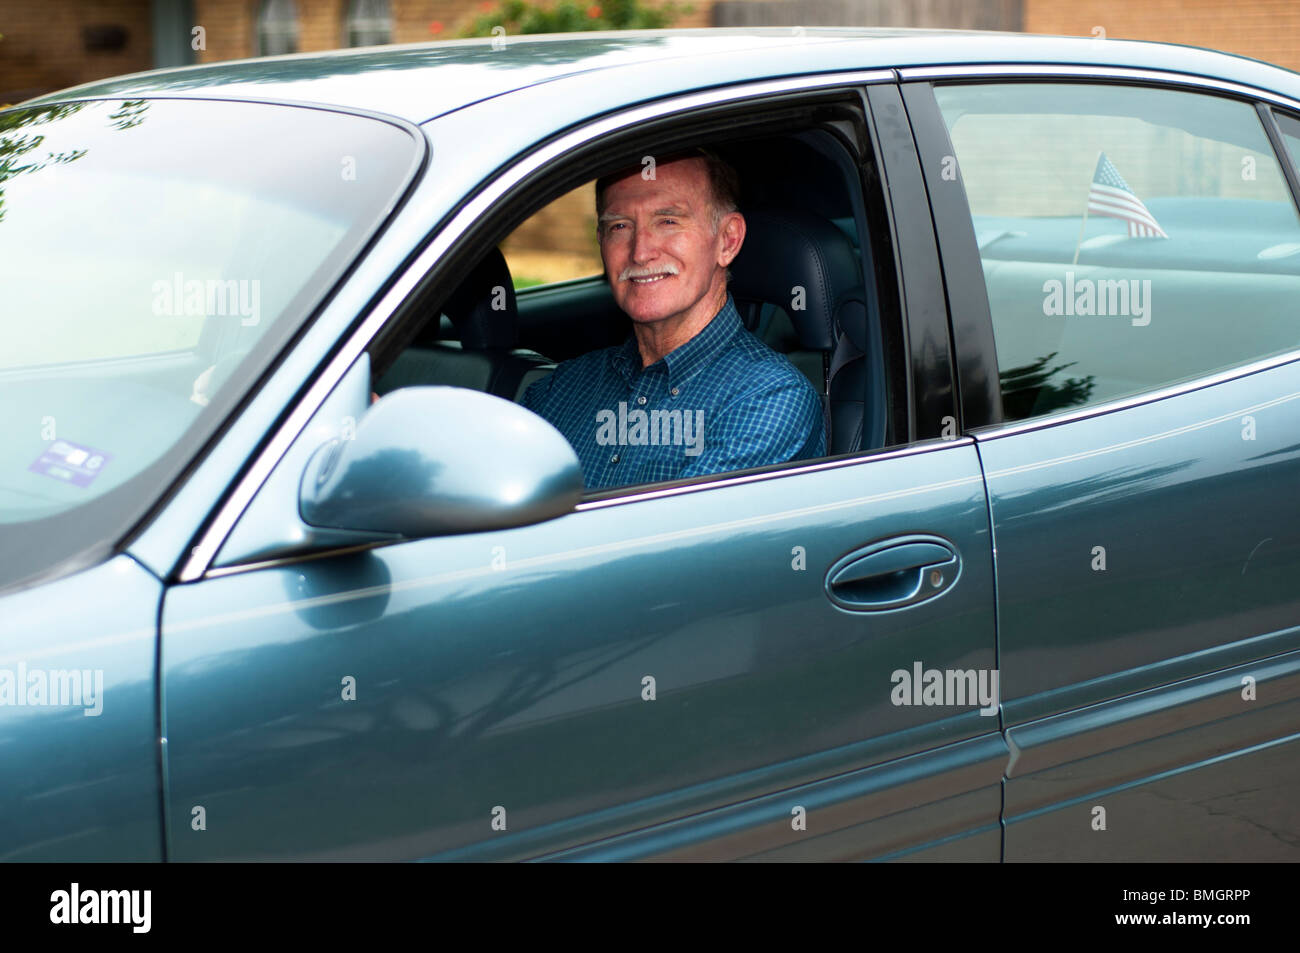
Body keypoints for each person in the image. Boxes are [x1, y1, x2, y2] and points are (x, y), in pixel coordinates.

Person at [520, 149, 824, 490]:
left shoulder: (768, 400)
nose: (640, 251)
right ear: (601, 242)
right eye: (620, 226)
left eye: (668, 221)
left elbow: (672, 541)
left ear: (728, 240)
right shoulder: (561, 388)